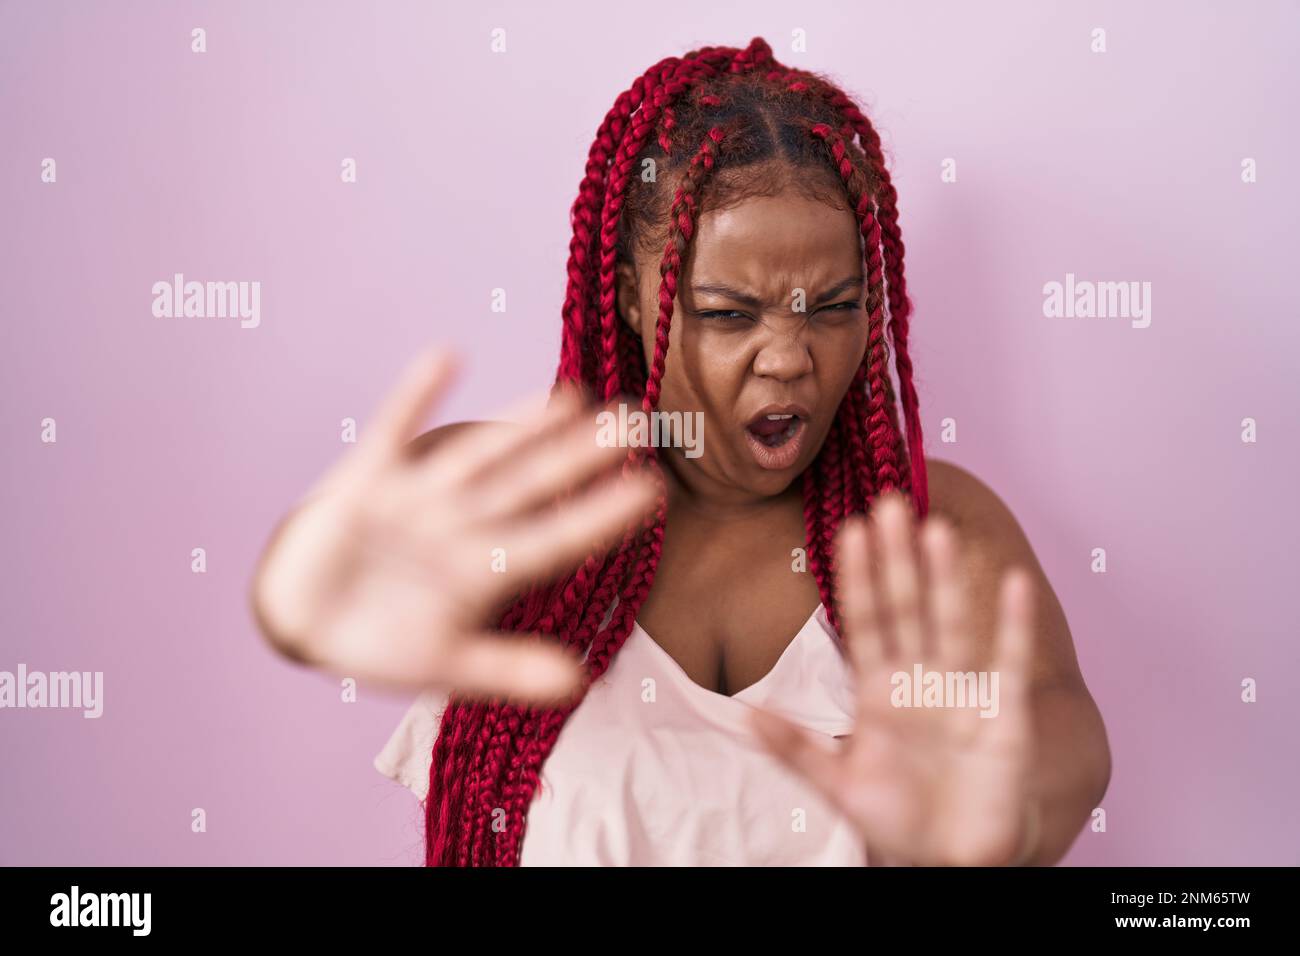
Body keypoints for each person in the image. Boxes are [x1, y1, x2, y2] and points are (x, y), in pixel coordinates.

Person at [250, 36, 1110, 867]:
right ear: (630, 295)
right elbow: (327, 574)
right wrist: (299, 597)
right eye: (731, 313)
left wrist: (1013, 816)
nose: (789, 357)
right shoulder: (511, 504)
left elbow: (1057, 733)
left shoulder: (925, 530)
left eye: (834, 306)